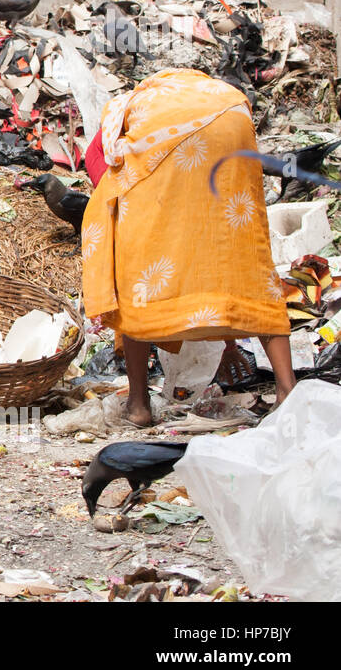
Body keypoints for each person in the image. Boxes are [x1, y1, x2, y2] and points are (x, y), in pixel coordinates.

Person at [81, 69, 295, 426]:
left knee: (134, 267)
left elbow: (106, 181)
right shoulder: (200, 92)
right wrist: (226, 341)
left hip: (182, 131)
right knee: (242, 254)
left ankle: (138, 404)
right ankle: (288, 390)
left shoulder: (119, 117)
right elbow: (205, 252)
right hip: (233, 118)